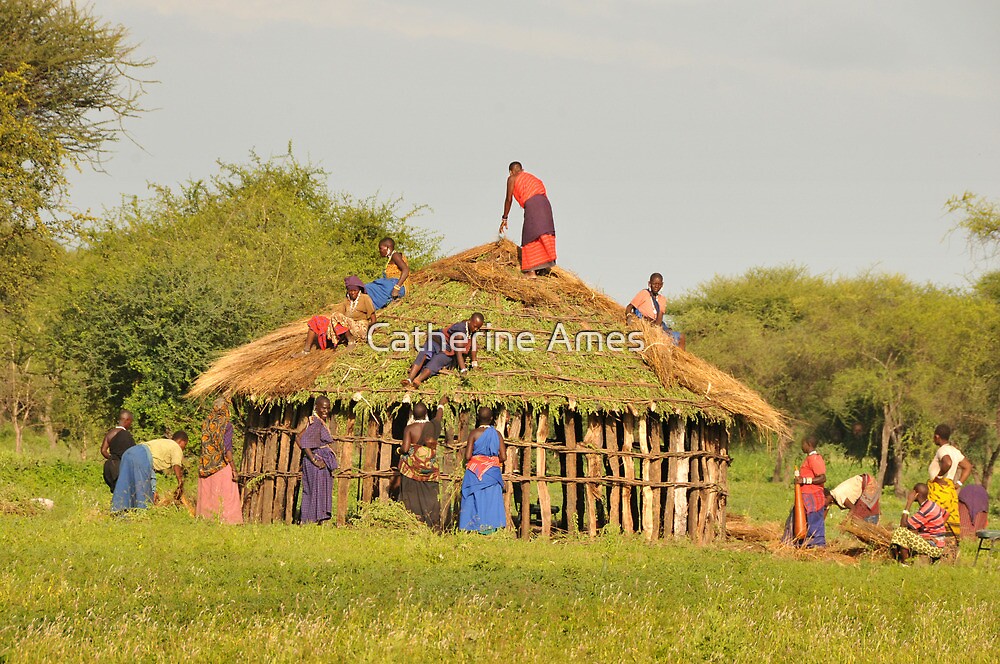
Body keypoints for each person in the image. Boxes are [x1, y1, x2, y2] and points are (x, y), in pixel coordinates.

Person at [500, 162, 556, 277]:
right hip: (545, 204)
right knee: (543, 231)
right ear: (522, 169)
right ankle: (544, 266)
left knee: (529, 234)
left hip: (533, 204)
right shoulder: (532, 178)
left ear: (511, 172)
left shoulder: (512, 178)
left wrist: (504, 218)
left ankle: (531, 271)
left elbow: (508, 199)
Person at [296, 276, 377, 356]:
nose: (352, 293)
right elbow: (339, 316)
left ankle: (351, 341)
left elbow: (373, 318)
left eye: (354, 290)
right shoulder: (347, 301)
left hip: (360, 328)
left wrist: (370, 333)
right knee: (316, 320)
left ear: (359, 290)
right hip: (347, 328)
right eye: (350, 291)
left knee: (336, 315)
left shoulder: (365, 298)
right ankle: (306, 350)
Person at [398, 396, 447, 529]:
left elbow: (405, 449)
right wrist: (441, 404)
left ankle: (412, 520)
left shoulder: (410, 428)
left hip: (412, 469)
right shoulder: (432, 426)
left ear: (413, 414)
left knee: (411, 493)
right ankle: (431, 520)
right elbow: (438, 417)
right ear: (426, 414)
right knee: (430, 494)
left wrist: (399, 450)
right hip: (429, 470)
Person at [111, 431, 188, 513]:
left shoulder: (162, 443)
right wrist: (180, 481)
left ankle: (118, 512)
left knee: (125, 484)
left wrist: (153, 490)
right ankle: (142, 514)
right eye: (185, 445)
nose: (184, 448)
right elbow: (176, 465)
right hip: (141, 455)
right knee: (142, 489)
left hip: (128, 452)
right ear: (180, 441)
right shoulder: (176, 446)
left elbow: (151, 472)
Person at [402, 313, 484, 389]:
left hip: (447, 351)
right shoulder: (460, 331)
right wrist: (463, 369)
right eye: (475, 326)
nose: (476, 329)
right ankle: (409, 379)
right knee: (423, 354)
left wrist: (474, 364)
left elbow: (474, 346)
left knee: (435, 363)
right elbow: (458, 352)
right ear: (470, 321)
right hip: (436, 341)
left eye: (478, 328)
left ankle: (418, 380)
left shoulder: (471, 331)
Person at [459, 406, 507, 533]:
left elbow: (468, 456)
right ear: (491, 419)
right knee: (491, 500)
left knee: (473, 499)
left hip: (475, 473)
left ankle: (472, 527)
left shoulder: (474, 433)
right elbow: (503, 456)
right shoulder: (497, 434)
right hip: (492, 473)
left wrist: (480, 461)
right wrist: (489, 462)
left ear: (478, 418)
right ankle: (490, 529)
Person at [196, 398, 243, 524]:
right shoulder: (226, 425)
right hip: (221, 466)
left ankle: (206, 519)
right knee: (227, 495)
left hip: (205, 465)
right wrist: (233, 468)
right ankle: (228, 520)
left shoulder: (206, 423)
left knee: (208, 495)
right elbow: (227, 448)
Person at [295, 396, 338, 525]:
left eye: (328, 408)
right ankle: (312, 520)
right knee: (316, 490)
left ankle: (306, 520)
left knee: (310, 490)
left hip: (313, 460)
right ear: (316, 408)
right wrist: (314, 459)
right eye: (323, 408)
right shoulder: (317, 423)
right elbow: (306, 443)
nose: (326, 411)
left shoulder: (314, 421)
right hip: (316, 462)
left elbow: (299, 437)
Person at [926, 424, 972, 536]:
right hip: (949, 490)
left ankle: (935, 544)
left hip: (939, 490)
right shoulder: (955, 451)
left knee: (935, 517)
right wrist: (959, 483)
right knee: (949, 518)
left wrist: (939, 476)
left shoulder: (942, 450)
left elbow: (948, 462)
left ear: (937, 436)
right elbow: (968, 466)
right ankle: (950, 544)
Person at [782, 437, 827, 547]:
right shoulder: (809, 459)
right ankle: (798, 544)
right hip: (806, 496)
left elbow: (822, 478)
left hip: (813, 496)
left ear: (809, 444)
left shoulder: (814, 459)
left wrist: (804, 480)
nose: (802, 447)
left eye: (803, 444)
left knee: (814, 521)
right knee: (800, 520)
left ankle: (817, 546)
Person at [890, 483, 949, 563]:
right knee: (909, 532)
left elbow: (903, 525)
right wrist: (936, 532)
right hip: (937, 544)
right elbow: (946, 514)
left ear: (916, 494)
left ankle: (905, 564)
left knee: (901, 532)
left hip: (934, 548)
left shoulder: (925, 510)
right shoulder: (932, 504)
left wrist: (909, 503)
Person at [625, 272, 685, 348]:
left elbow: (660, 316)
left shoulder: (662, 299)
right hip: (644, 323)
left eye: (659, 284)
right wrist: (629, 316)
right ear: (649, 283)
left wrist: (656, 329)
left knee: (681, 337)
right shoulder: (644, 293)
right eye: (654, 284)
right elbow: (630, 306)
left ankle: (680, 358)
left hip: (657, 325)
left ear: (662, 285)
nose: (656, 286)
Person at [365, 237, 410, 309]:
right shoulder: (391, 257)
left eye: (381, 248)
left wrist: (397, 288)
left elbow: (406, 270)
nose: (380, 251)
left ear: (387, 248)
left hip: (398, 285)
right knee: (371, 288)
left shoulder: (395, 255)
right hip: (391, 284)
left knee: (369, 288)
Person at [101, 410, 135, 491]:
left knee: (116, 492)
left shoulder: (110, 433)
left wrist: (112, 458)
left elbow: (103, 450)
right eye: (130, 422)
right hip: (120, 469)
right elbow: (132, 453)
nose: (130, 425)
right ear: (126, 420)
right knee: (124, 494)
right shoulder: (126, 435)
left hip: (108, 467)